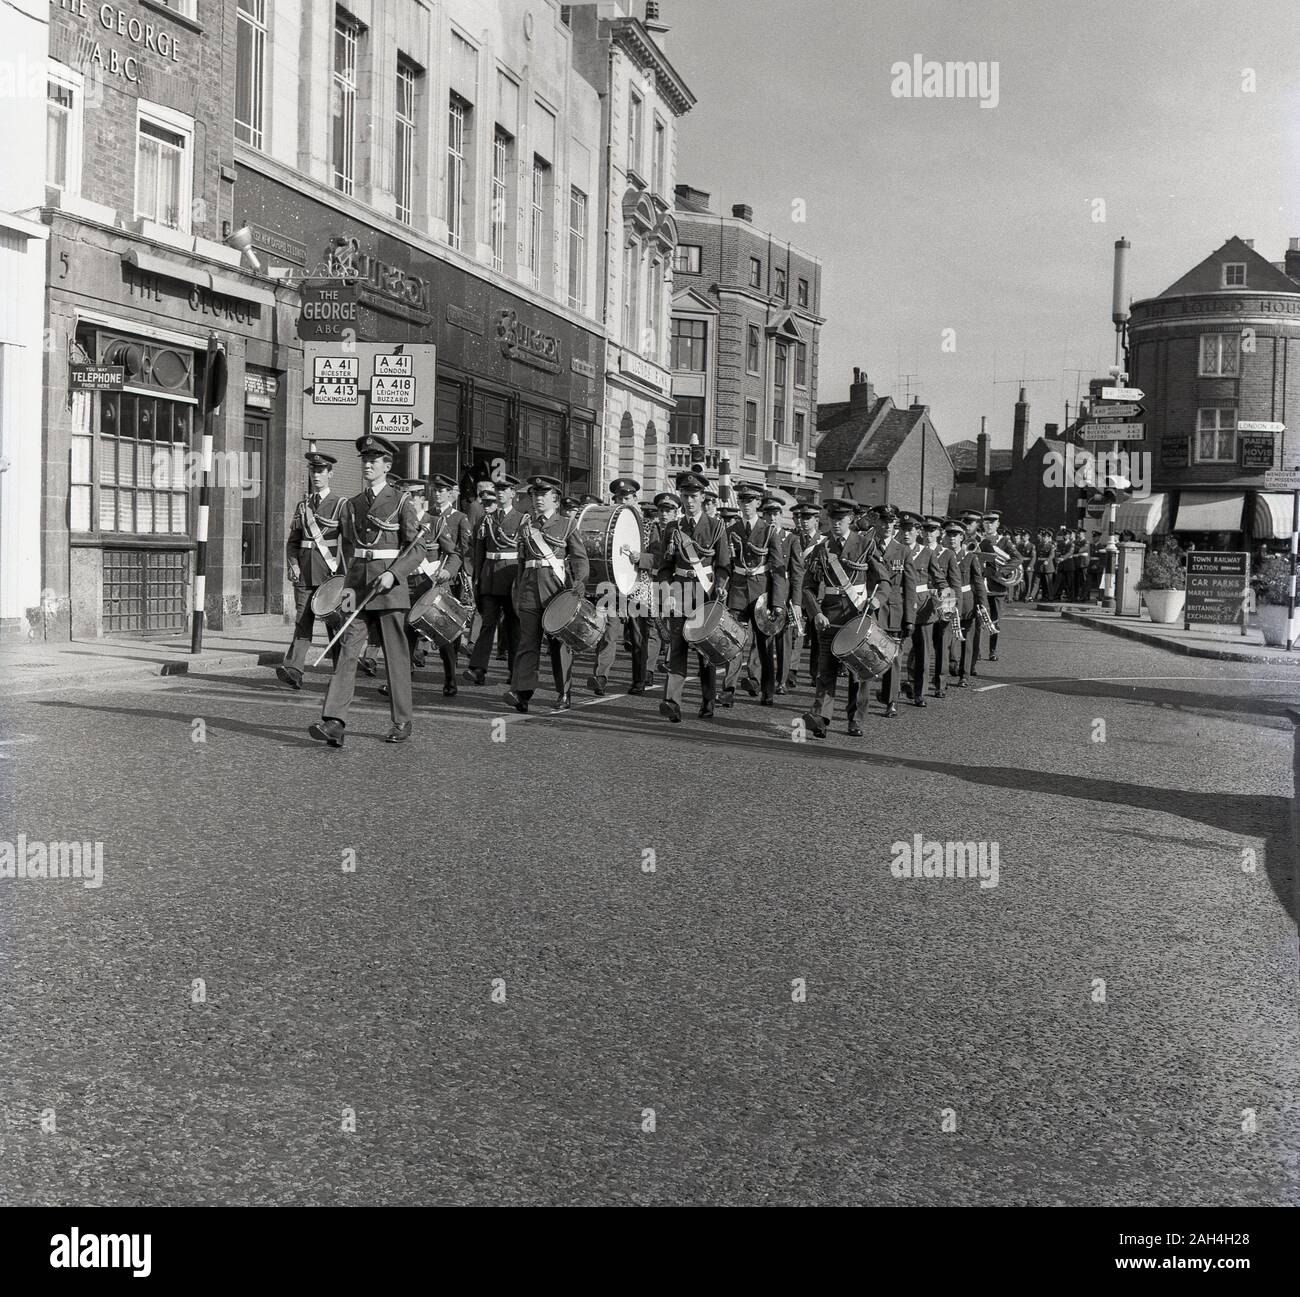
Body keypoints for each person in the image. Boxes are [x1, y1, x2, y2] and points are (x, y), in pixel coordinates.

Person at [309, 435, 424, 748]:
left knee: (396, 658)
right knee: (347, 652)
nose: (368, 464)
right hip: (359, 590)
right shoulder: (353, 504)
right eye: (365, 460)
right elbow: (348, 548)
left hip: (389, 592)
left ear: (387, 466)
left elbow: (417, 548)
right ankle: (334, 722)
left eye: (374, 460)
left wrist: (393, 574)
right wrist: (346, 587)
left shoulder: (401, 502)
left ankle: (402, 720)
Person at [799, 499, 892, 737]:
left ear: (850, 519)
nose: (836, 524)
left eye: (840, 520)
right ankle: (821, 717)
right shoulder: (822, 549)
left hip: (857, 618)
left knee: (858, 674)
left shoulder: (865, 544)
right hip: (829, 618)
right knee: (826, 673)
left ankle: (856, 719)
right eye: (832, 520)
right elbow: (808, 586)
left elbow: (884, 580)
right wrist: (816, 612)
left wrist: (878, 599)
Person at [505, 475, 589, 713]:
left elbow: (580, 559)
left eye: (543, 495)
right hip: (530, 590)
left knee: (558, 644)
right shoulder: (526, 525)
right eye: (534, 495)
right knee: (527, 643)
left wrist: (580, 583)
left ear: (555, 498)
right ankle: (522, 693)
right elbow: (522, 563)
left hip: (556, 591)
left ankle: (564, 691)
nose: (538, 499)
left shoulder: (567, 524)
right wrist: (519, 591)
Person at [654, 472, 732, 722]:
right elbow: (664, 565)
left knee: (705, 652)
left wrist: (720, 586)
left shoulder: (717, 526)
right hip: (680, 591)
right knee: (677, 649)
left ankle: (708, 700)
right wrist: (665, 589)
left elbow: (723, 565)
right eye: (685, 496)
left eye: (694, 496)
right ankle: (672, 702)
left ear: (703, 497)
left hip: (704, 594)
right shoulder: (673, 527)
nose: (689, 501)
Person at [277, 451, 346, 690]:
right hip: (305, 573)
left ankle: (341, 673)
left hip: (330, 574)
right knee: (302, 621)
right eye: (313, 471)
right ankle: (295, 669)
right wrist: (293, 563)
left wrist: (344, 577)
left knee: (334, 625)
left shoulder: (340, 505)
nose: (316, 475)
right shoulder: (302, 505)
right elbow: (293, 541)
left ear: (330, 474)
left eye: (321, 471)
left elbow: (347, 543)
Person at [590, 477, 654, 696]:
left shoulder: (647, 525)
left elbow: (658, 558)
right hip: (614, 587)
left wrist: (641, 558)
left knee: (638, 637)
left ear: (635, 498)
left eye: (626, 498)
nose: (622, 502)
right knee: (609, 632)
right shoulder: (609, 524)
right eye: (618, 498)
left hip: (639, 587)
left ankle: (638, 680)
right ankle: (600, 677)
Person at [722, 484, 784, 706]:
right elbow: (726, 565)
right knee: (732, 643)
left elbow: (778, 570)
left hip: (761, 595)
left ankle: (767, 690)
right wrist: (722, 589)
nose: (746, 506)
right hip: (737, 593)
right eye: (742, 501)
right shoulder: (730, 531)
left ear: (758, 503)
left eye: (750, 501)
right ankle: (728, 690)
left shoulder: (769, 532)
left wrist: (778, 603)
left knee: (764, 646)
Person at [464, 476, 523, 685]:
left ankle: (515, 671)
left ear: (513, 494)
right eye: (498, 489)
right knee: (488, 623)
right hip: (489, 576)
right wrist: (476, 578)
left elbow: (524, 554)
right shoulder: (485, 519)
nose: (499, 492)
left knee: (513, 626)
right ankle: (478, 668)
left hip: (512, 578)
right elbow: (478, 551)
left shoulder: (522, 520)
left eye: (505, 489)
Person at [423, 474, 473, 696]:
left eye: (442, 490)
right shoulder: (426, 516)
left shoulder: (459, 518)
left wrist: (455, 573)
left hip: (446, 579)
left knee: (446, 630)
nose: (437, 493)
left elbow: (463, 551)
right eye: (435, 489)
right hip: (423, 577)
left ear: (451, 493)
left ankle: (450, 676)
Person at [868, 505, 916, 716]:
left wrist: (910, 619)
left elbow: (910, 587)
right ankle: (861, 700)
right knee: (867, 656)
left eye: (891, 522)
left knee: (893, 657)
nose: (887, 526)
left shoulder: (903, 551)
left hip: (894, 612)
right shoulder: (866, 546)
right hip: (870, 609)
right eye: (883, 521)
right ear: (876, 522)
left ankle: (891, 700)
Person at [900, 512, 945, 708]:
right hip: (899, 606)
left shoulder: (927, 553)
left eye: (910, 530)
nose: (906, 534)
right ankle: (893, 690)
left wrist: (944, 594)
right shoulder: (896, 550)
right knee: (894, 651)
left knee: (923, 654)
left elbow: (939, 579)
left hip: (922, 609)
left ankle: (920, 692)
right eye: (903, 530)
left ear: (918, 531)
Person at [786, 504, 825, 689]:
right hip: (797, 591)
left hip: (817, 594)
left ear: (816, 520)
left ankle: (816, 673)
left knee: (818, 636)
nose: (803, 522)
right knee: (796, 631)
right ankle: (791, 671)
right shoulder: (792, 538)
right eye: (801, 518)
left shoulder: (824, 541)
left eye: (807, 518)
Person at [947, 521, 990, 686]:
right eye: (949, 535)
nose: (952, 539)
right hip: (948, 599)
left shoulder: (970, 557)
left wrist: (982, 604)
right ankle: (951, 663)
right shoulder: (942, 555)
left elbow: (978, 583)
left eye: (955, 535)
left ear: (961, 538)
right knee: (947, 636)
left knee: (967, 640)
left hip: (967, 602)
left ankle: (964, 674)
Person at [928, 516, 961, 699]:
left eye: (932, 530)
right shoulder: (919, 552)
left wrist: (954, 608)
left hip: (943, 604)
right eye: (925, 530)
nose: (928, 534)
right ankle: (916, 682)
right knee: (921, 646)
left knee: (941, 646)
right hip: (924, 604)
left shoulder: (947, 554)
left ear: (939, 533)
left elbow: (955, 583)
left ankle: (940, 683)